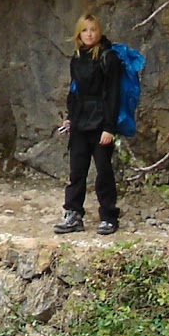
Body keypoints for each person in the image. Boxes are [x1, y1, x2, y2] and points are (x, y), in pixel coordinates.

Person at [54, 14, 122, 235]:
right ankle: (73, 214)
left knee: (103, 170)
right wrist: (70, 118)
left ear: (99, 32)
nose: (90, 34)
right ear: (79, 34)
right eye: (85, 30)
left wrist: (109, 127)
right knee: (77, 171)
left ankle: (109, 216)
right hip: (81, 122)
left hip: (101, 121)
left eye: (93, 29)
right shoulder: (76, 59)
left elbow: (113, 94)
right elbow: (75, 91)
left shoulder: (108, 58)